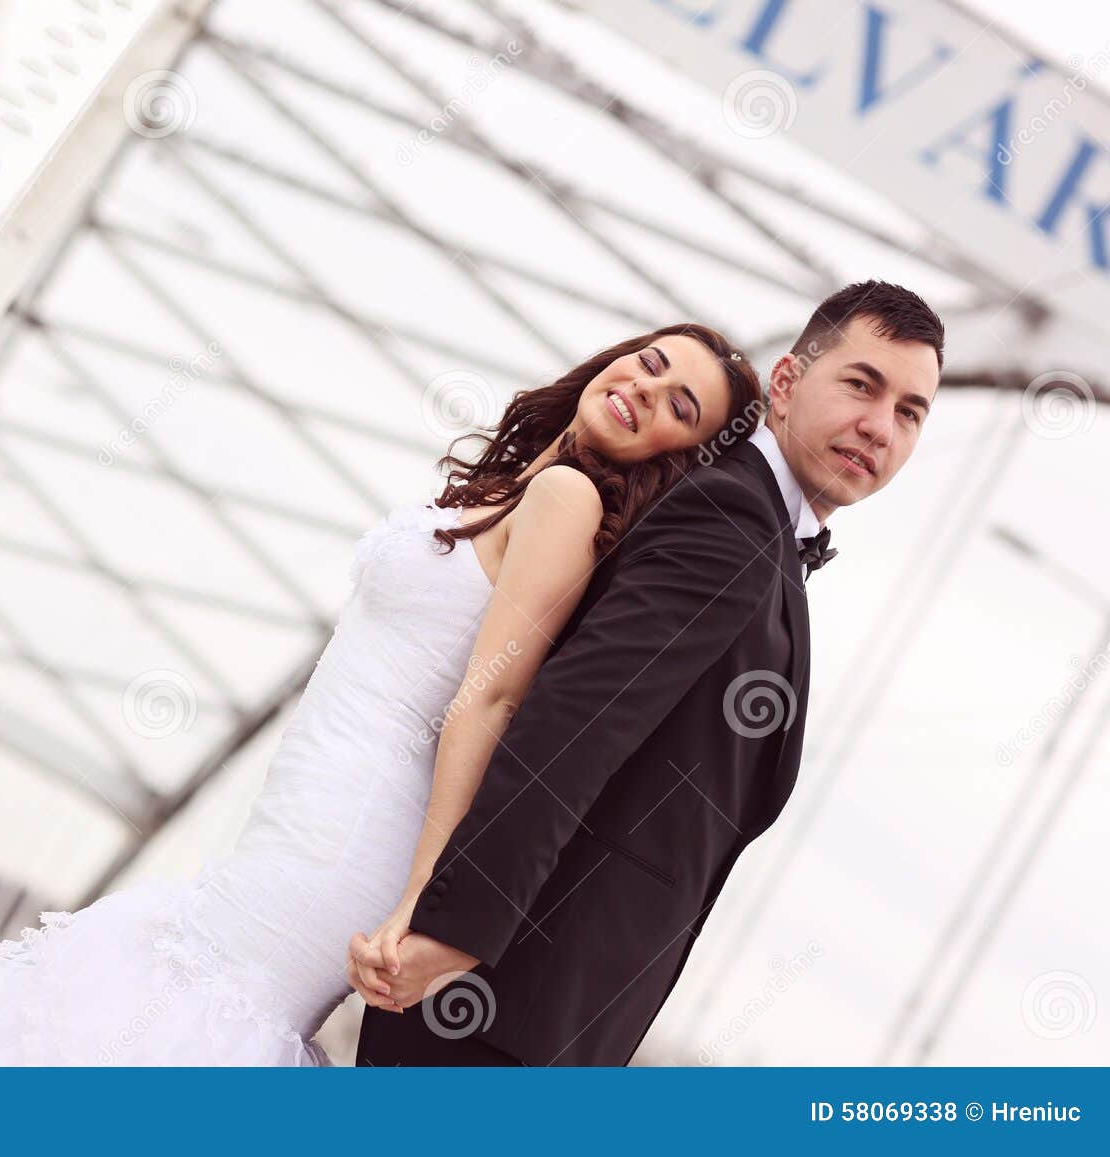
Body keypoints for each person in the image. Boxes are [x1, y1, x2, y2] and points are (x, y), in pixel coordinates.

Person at [0, 320, 762, 1065]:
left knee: (185, 1007)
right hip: (310, 811)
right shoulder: (527, 483)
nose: (649, 388)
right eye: (652, 360)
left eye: (684, 407)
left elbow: (489, 705)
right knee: (160, 997)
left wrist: (420, 899)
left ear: (685, 453)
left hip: (352, 838)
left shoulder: (565, 497)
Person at [348, 280, 944, 1066]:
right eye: (862, 385)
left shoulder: (761, 536)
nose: (879, 425)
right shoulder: (730, 519)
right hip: (491, 1009)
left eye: (909, 411)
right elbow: (576, 718)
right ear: (789, 383)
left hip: (540, 1026)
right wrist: (456, 928)